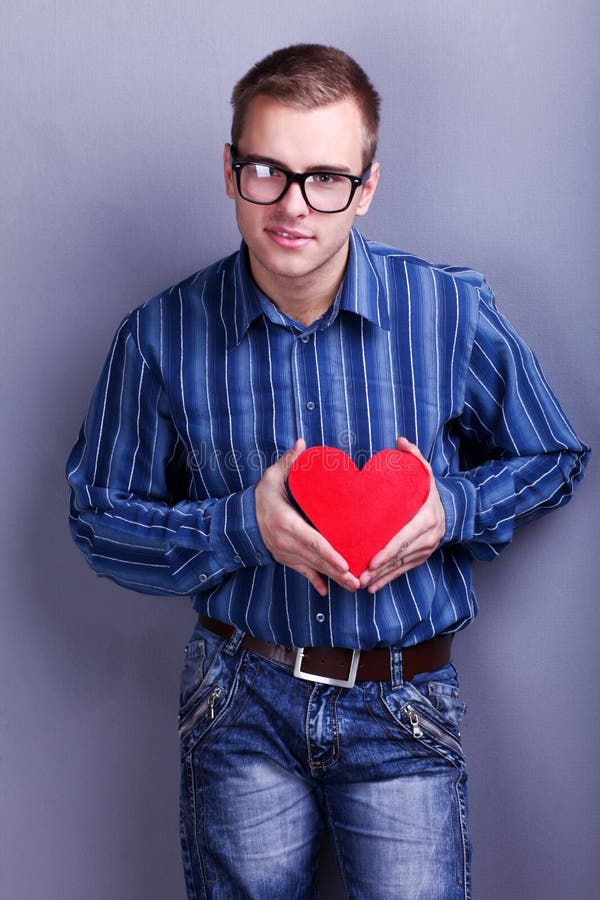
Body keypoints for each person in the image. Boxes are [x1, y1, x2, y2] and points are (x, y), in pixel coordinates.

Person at [66, 43, 589, 900]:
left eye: (326, 178)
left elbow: (553, 455)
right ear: (231, 170)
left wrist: (449, 508)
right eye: (267, 170)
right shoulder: (157, 336)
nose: (294, 206)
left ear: (366, 185)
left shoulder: (449, 311)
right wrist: (243, 525)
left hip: (403, 696)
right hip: (237, 697)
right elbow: (96, 520)